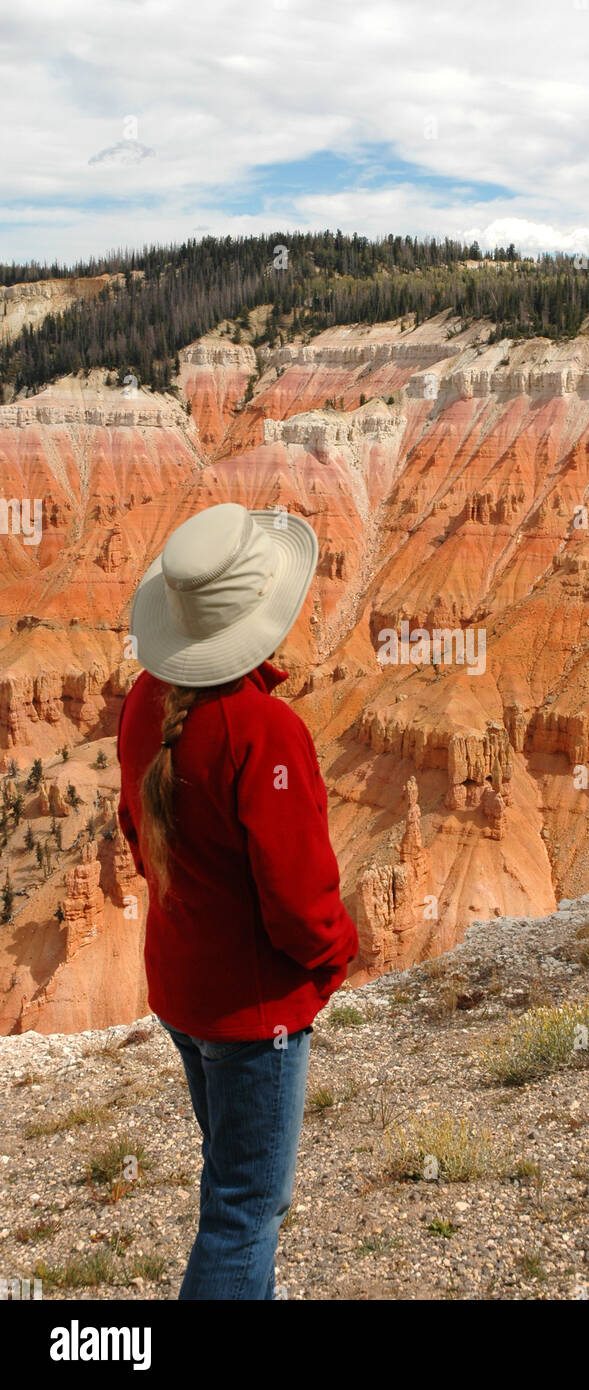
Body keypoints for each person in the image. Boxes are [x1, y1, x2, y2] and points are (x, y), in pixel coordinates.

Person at [116, 502, 358, 1300]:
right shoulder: (264, 731)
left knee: (231, 1183)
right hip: (256, 1017)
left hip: (183, 992)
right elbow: (296, 896)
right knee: (246, 1208)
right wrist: (333, 957)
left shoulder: (143, 705)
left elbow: (139, 839)